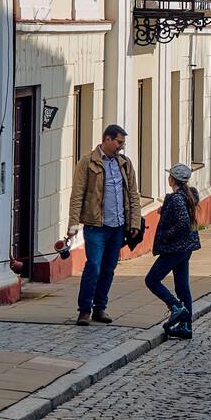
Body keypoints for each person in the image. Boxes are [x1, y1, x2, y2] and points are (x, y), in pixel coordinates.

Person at [68, 124, 142, 326]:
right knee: (93, 267)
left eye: (122, 143)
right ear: (107, 139)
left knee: (109, 268)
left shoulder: (124, 164)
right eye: (119, 142)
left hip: (118, 226)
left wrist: (134, 222)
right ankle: (84, 309)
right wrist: (73, 224)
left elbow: (133, 195)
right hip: (96, 226)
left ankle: (100, 308)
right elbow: (77, 194)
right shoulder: (88, 162)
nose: (121, 147)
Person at [144, 164, 201, 340]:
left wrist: (166, 236)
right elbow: (181, 216)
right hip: (185, 247)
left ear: (172, 179)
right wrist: (165, 210)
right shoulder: (185, 195)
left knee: (152, 280)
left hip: (175, 248)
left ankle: (176, 307)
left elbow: (183, 223)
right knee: (182, 286)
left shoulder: (177, 198)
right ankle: (186, 326)